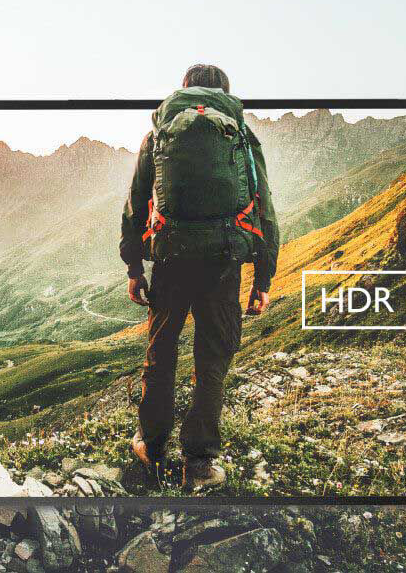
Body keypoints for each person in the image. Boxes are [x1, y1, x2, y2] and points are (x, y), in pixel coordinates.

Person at [119, 63, 279, 492]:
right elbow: (265, 209)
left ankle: (152, 447)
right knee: (212, 361)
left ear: (184, 91)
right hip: (224, 265)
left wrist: (134, 269)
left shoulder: (158, 135)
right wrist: (263, 279)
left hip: (171, 260)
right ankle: (200, 462)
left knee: (161, 354)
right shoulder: (242, 137)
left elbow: (136, 205)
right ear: (225, 93)